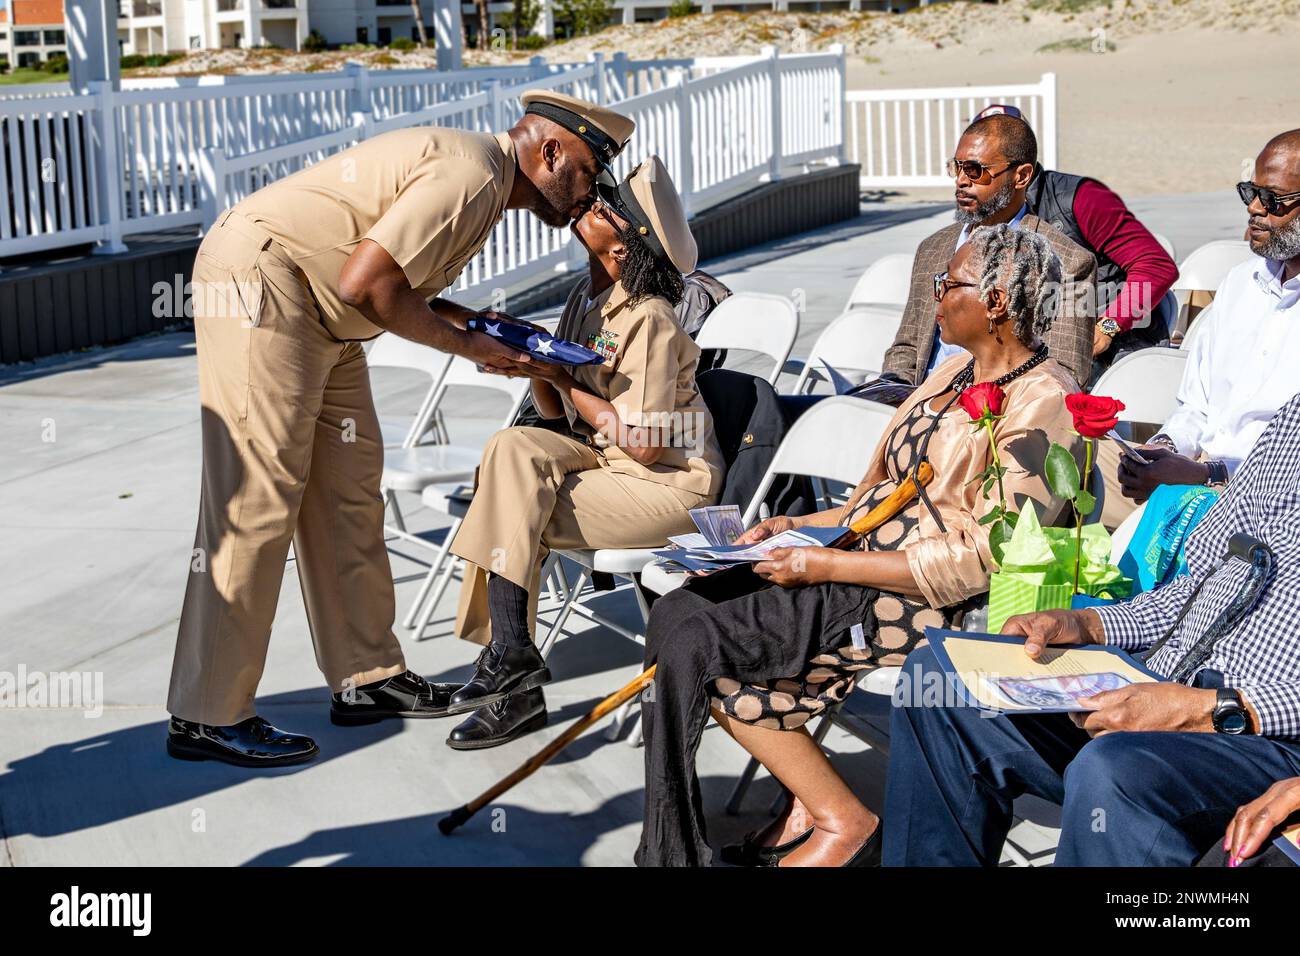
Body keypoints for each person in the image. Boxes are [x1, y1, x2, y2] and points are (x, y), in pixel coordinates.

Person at [166, 92, 636, 767]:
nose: (589, 195)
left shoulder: (484, 181)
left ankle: (366, 679)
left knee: (349, 494)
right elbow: (369, 283)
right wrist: (471, 348)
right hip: (267, 285)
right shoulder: (472, 174)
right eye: (591, 172)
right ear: (553, 151)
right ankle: (206, 714)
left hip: (324, 312)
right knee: (257, 498)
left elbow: (398, 287)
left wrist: (488, 330)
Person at [636, 225, 1083, 867]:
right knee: (685, 608)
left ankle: (735, 842)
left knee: (700, 641)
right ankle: (835, 817)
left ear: (998, 301)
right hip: (850, 564)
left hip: (922, 597)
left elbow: (987, 555)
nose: (933, 296)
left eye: (947, 284)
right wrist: (796, 529)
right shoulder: (951, 375)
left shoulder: (1046, 400)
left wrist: (823, 562)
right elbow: (869, 502)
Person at [883, 388, 1300, 868]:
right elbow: (1200, 585)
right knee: (940, 681)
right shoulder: (1291, 422)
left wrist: (1210, 709)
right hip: (1166, 684)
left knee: (1115, 773)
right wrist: (1086, 623)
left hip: (1266, 732)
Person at [442, 156, 725, 750]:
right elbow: (553, 418)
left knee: (511, 506)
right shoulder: (587, 303)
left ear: (624, 250)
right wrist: (529, 363)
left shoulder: (648, 319)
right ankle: (512, 655)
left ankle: (511, 677)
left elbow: (647, 445)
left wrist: (561, 375)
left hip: (668, 486)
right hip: (608, 464)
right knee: (509, 451)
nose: (592, 206)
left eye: (608, 210)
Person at [1099, 130, 1300, 528]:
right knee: (1065, 463)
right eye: (1250, 192)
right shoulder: (1241, 283)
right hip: (1196, 474)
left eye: (1273, 200)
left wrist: (1208, 477)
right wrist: (1163, 449)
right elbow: (1196, 406)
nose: (1255, 209)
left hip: (1266, 502)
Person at [880, 113, 1096, 390]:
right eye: (956, 168)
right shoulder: (933, 249)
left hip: (999, 416)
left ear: (1021, 176)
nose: (961, 181)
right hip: (919, 403)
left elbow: (1064, 375)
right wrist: (892, 392)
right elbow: (908, 346)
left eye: (975, 170)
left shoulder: (1068, 263)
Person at [974, 104, 1179, 367]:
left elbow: (1156, 267)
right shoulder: (979, 211)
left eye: (984, 166)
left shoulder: (1079, 197)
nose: (972, 177)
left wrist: (1108, 326)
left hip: (1110, 346)